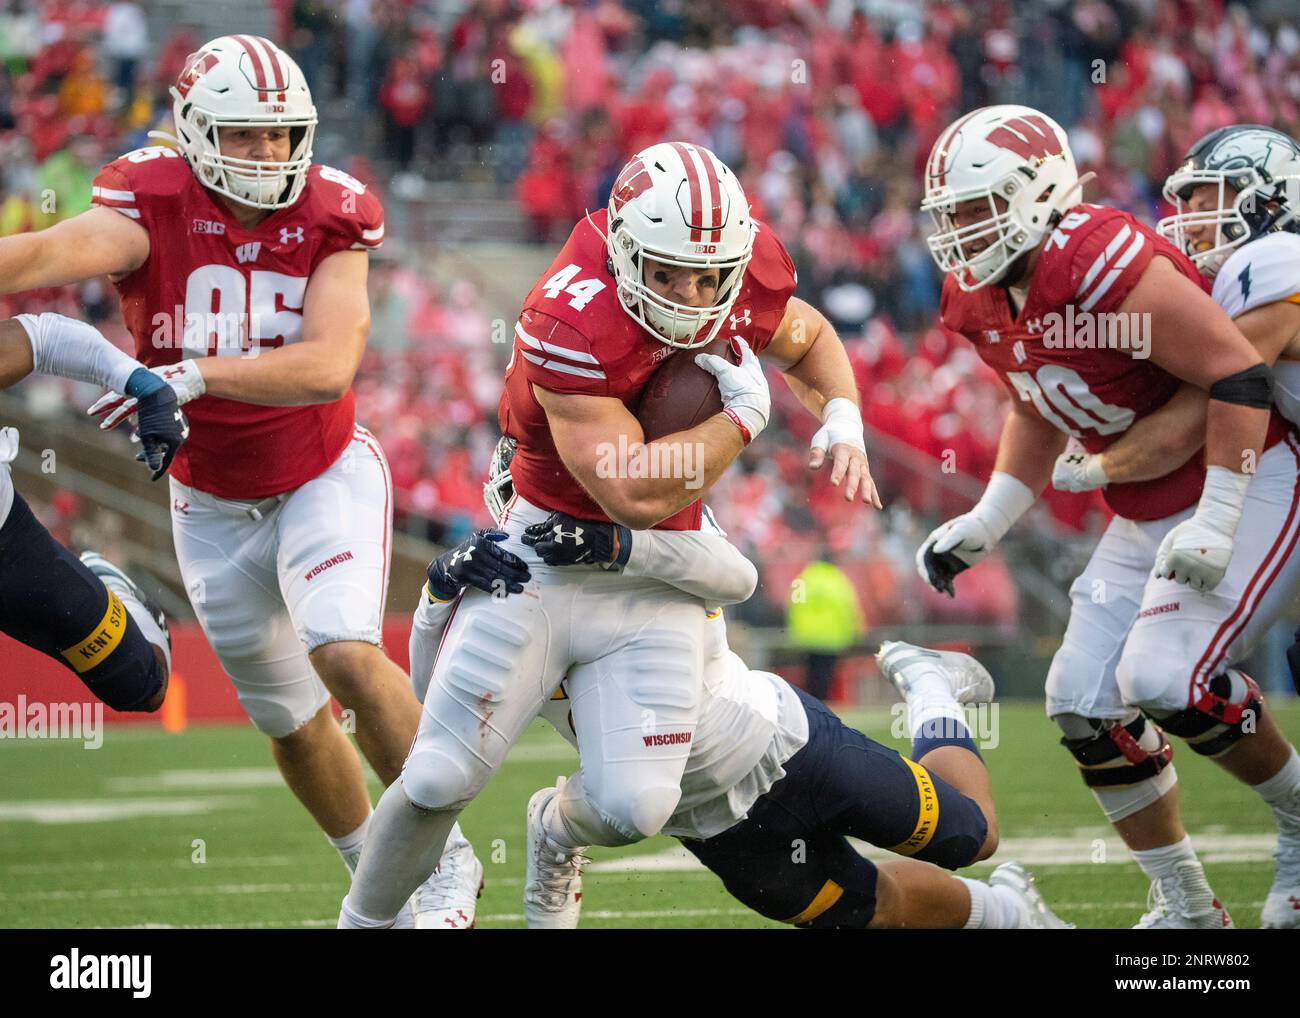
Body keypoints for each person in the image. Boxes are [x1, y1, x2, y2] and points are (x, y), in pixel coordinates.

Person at [0, 34, 480, 927]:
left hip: (319, 471)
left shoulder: (335, 211)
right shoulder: (149, 199)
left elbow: (330, 364)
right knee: (290, 724)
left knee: (342, 649)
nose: (268, 154)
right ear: (191, 131)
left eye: (281, 134)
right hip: (209, 500)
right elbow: (38, 258)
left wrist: (192, 376)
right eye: (245, 135)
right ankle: (381, 881)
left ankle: (447, 860)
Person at [339, 141, 881, 929]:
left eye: (707, 276)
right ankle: (362, 925)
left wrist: (843, 414)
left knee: (636, 804)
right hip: (549, 552)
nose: (691, 295)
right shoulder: (570, 314)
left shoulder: (740, 264)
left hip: (656, 576)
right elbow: (626, 488)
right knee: (436, 777)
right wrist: (745, 418)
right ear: (625, 249)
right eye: (665, 273)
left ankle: (554, 831)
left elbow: (806, 338)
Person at [915, 105, 1299, 927]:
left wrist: (1219, 515)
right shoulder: (977, 293)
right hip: (1148, 503)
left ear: (1041, 189)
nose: (961, 229)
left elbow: (1235, 376)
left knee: (1163, 679)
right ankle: (1190, 908)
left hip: (1243, 470)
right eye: (951, 212)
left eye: (979, 206)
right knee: (1081, 701)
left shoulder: (1096, 257)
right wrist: (991, 516)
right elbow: (1036, 399)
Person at [407, 466, 1069, 930]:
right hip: (710, 825)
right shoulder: (501, 597)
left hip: (782, 747)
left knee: (970, 835)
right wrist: (438, 596)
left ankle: (930, 688)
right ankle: (1008, 915)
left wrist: (622, 546)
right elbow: (436, 714)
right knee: (877, 911)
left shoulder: (650, 527)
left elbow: (735, 574)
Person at [1052, 124, 1300, 928]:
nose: (1189, 211)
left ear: (1271, 200)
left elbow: (1222, 390)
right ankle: (1197, 900)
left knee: (1167, 678)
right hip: (1263, 473)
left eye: (1207, 195)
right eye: (1185, 195)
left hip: (1269, 476)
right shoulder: (1238, 270)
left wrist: (1110, 463)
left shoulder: (1277, 260)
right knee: (1110, 692)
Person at [0, 311, 181, 712]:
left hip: (6, 545)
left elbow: (44, 338)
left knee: (141, 683)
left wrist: (144, 386)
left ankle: (118, 592)